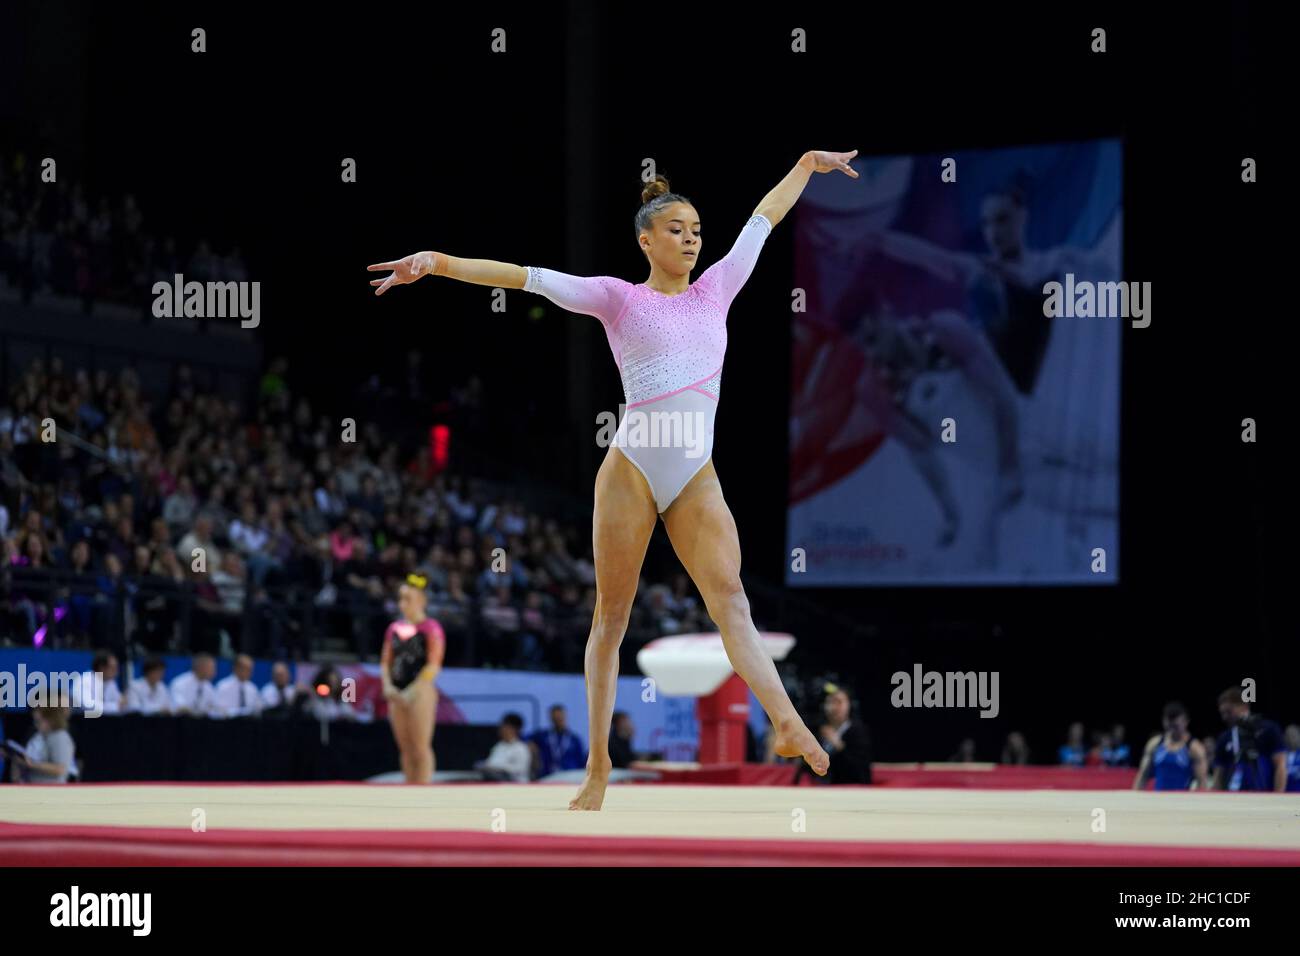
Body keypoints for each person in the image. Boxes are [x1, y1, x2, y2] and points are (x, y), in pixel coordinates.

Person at [369, 150, 860, 809]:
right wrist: (437, 263)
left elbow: (765, 217)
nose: (691, 239)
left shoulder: (718, 287)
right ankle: (597, 768)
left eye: (696, 231)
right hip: (631, 469)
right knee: (611, 617)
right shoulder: (616, 297)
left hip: (695, 477)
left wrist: (805, 163)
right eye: (678, 229)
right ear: (646, 239)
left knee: (731, 603)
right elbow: (523, 278)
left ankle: (786, 722)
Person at [380, 574, 445, 784]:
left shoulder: (431, 628)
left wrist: (412, 691)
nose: (402, 604)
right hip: (397, 691)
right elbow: (385, 662)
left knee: (420, 746)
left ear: (422, 601)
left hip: (420, 691)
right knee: (405, 747)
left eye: (409, 599)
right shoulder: (394, 629)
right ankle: (409, 787)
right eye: (401, 599)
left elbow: (433, 664)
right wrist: (388, 686)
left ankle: (423, 791)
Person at [1212, 686, 1286, 792]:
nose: (1225, 717)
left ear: (1244, 706)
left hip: (1264, 796)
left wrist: (1279, 796)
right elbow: (1219, 774)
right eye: (1222, 713)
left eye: (1229, 711)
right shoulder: (1224, 738)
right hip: (1233, 798)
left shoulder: (1268, 729)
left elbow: (1280, 765)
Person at [795, 686, 871, 785]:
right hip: (821, 789)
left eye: (839, 702)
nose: (834, 707)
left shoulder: (859, 732)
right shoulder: (818, 730)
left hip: (851, 788)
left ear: (850, 705)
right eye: (830, 702)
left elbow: (861, 768)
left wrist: (838, 745)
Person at [1132, 701, 1209, 791]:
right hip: (1158, 800)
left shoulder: (1195, 749)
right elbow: (1142, 777)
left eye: (1175, 726)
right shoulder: (1154, 744)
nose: (1172, 729)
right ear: (1163, 722)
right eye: (1169, 725)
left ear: (1186, 722)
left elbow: (1202, 783)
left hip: (1183, 802)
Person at [9, 704, 77, 783]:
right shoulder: (39, 736)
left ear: (50, 720)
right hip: (34, 787)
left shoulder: (59, 737)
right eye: (35, 721)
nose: (36, 725)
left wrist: (31, 764)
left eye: (38, 721)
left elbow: (60, 769)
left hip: (51, 790)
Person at [527, 705, 585, 779]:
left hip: (570, 776)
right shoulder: (542, 736)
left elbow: (581, 761)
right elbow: (525, 740)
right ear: (551, 718)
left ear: (565, 717)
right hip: (548, 775)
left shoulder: (574, 739)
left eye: (560, 717)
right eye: (555, 718)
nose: (558, 720)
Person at [477, 713, 531, 782]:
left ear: (513, 729)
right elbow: (491, 763)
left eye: (504, 726)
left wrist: (498, 768)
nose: (500, 729)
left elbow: (520, 769)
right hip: (497, 783)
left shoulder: (521, 748)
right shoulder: (498, 746)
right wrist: (484, 766)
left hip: (516, 786)